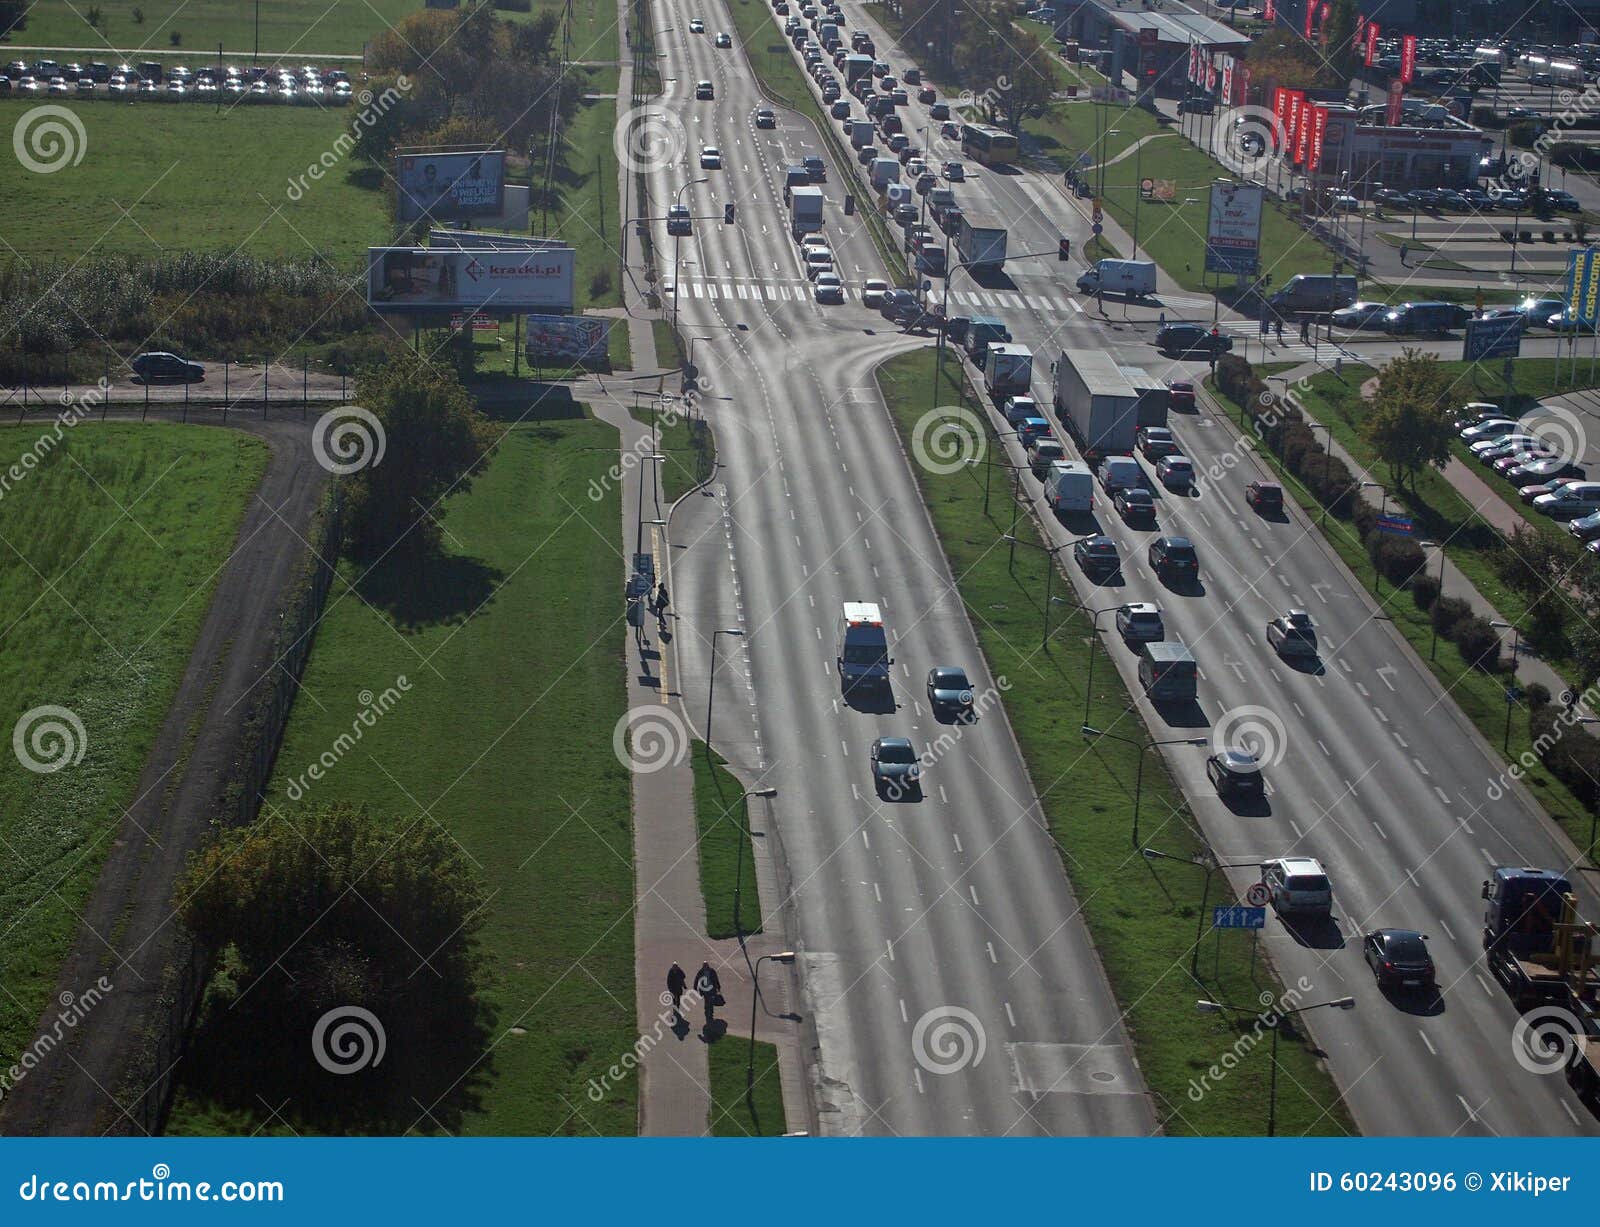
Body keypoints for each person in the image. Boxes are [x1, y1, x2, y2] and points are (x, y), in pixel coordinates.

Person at [695, 961, 722, 1026]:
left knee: (711, 1001)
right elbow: (696, 979)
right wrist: (695, 987)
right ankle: (707, 1011)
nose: (705, 966)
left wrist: (718, 986)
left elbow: (716, 979)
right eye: (704, 965)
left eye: (706, 965)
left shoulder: (712, 971)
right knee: (707, 1001)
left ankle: (710, 1011)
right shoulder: (701, 972)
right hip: (705, 990)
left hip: (711, 989)